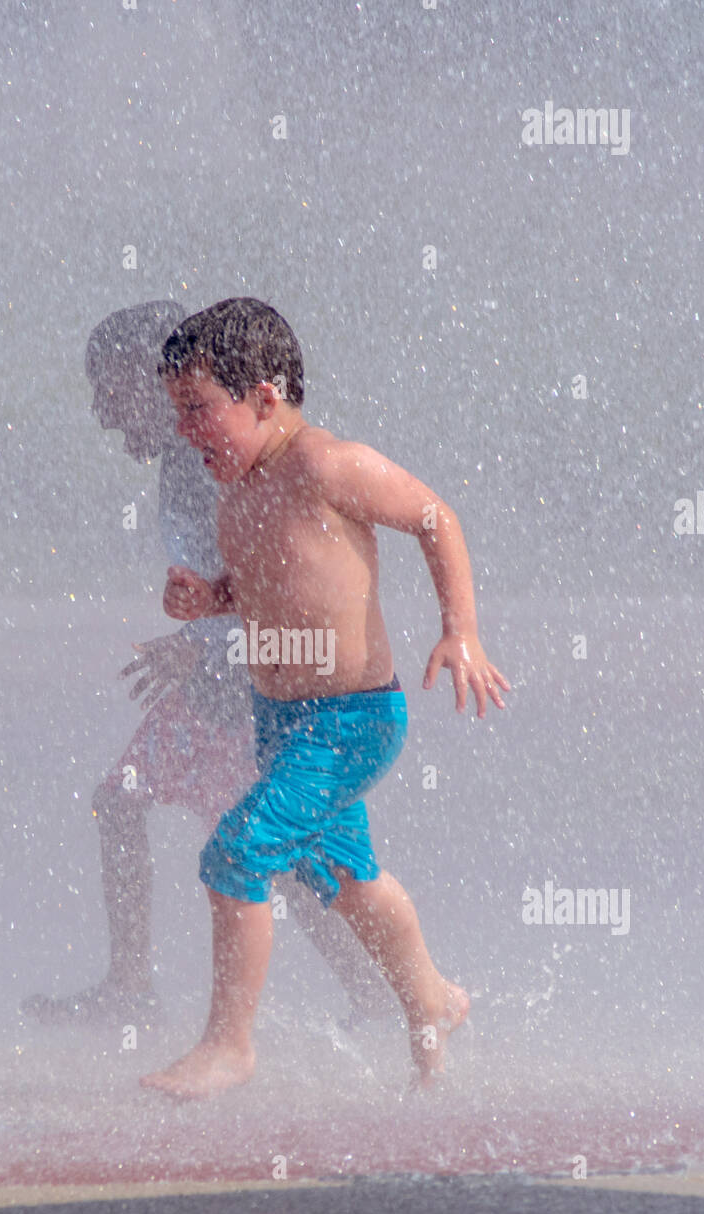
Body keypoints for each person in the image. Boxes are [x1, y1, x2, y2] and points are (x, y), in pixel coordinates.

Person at [139, 297, 511, 1098]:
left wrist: (463, 632)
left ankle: (228, 1046)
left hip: (350, 721)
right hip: (279, 722)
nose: (185, 431)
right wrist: (211, 597)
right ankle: (435, 1002)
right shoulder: (238, 489)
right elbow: (275, 587)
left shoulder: (325, 465)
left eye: (199, 409)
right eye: (178, 413)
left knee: (236, 852)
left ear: (265, 397)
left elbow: (433, 515)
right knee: (348, 880)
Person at [22, 301, 395, 1026]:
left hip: (260, 687)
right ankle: (135, 990)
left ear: (154, 378)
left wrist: (202, 646)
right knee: (132, 804)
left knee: (286, 858)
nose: (102, 415)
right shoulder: (192, 464)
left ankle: (374, 995)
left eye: (109, 390)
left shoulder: (229, 466)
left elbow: (286, 583)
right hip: (230, 686)